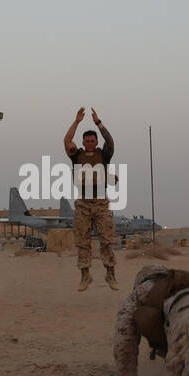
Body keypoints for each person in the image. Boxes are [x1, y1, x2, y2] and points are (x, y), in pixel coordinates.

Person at [64, 106, 117, 291]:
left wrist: (98, 122)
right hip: (83, 204)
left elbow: (110, 141)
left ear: (96, 142)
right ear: (83, 142)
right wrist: (77, 121)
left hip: (101, 203)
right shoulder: (77, 155)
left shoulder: (103, 155)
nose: (90, 143)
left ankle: (110, 274)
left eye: (92, 140)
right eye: (87, 141)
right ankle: (85, 275)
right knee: (83, 241)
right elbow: (67, 140)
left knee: (107, 240)